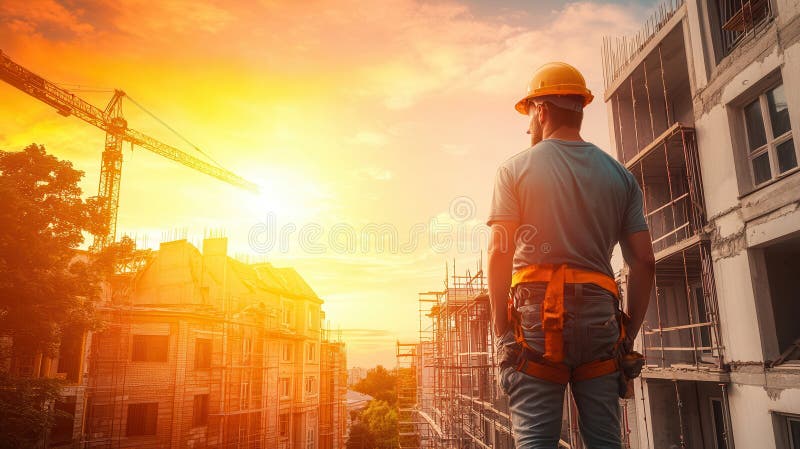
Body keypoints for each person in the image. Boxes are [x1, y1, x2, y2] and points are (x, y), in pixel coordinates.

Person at [486, 62, 656, 449]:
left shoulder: (514, 170)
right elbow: (644, 262)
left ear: (541, 109)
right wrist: (627, 336)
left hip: (537, 322)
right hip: (600, 317)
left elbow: (499, 254)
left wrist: (503, 334)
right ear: (579, 108)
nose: (528, 125)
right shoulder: (620, 177)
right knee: (605, 440)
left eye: (529, 114)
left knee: (535, 441)